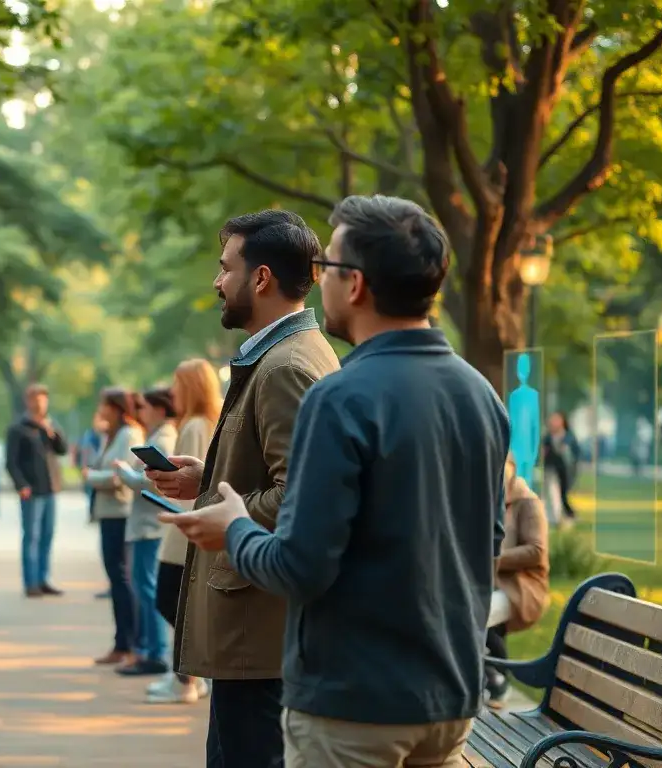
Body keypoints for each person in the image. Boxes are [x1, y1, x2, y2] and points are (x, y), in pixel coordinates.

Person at [159, 195, 509, 767]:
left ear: (356, 284)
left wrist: (236, 528)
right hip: (449, 698)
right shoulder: (479, 394)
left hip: (354, 701)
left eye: (328, 269)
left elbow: (301, 563)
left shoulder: (339, 395)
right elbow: (483, 547)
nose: (316, 283)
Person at [147, 209, 340, 767]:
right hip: (254, 631)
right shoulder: (277, 358)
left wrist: (225, 518)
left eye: (226, 267)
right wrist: (202, 479)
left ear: (261, 279)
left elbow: (303, 499)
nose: (216, 280)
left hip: (263, 634)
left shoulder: (287, 368)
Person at [142, 360, 221, 704]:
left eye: (177, 384)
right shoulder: (200, 423)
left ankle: (187, 679)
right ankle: (188, 676)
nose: (172, 392)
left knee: (171, 600)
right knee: (176, 602)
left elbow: (195, 478)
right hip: (188, 521)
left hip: (185, 523)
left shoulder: (196, 426)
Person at [113, 388, 178, 676]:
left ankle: (154, 653)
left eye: (147, 407)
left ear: (160, 409)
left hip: (150, 525)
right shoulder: (160, 435)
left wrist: (126, 475)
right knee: (144, 587)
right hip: (147, 523)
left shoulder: (163, 437)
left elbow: (154, 481)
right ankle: (152, 650)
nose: (142, 412)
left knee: (147, 589)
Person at [83, 387, 145, 666]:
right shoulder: (113, 434)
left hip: (120, 513)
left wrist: (92, 477)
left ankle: (129, 643)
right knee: (117, 579)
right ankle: (122, 642)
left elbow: (120, 475)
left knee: (121, 580)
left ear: (117, 407)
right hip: (109, 513)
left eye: (104, 404)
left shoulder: (129, 434)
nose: (100, 409)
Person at [485, 453, 550, 707]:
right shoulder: (490, 502)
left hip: (523, 588)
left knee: (473, 616)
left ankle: (497, 678)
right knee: (461, 611)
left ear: (511, 467)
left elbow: (537, 551)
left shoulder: (528, 503)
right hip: (494, 585)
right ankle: (492, 678)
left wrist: (493, 558)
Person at [6, 383, 69, 597]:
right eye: (36, 399)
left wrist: (52, 432)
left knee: (47, 536)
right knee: (31, 537)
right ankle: (31, 582)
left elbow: (62, 450)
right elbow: (11, 462)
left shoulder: (49, 426)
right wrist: (21, 484)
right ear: (28, 401)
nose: (40, 403)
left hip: (50, 489)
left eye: (44, 399)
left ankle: (44, 578)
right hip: (31, 492)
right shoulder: (18, 428)